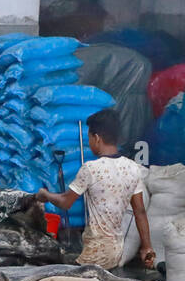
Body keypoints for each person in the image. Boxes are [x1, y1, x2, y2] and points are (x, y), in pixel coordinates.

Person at [33, 109, 154, 271]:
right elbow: (140, 212)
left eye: (89, 137)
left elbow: (65, 202)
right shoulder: (133, 168)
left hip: (95, 253)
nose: (89, 142)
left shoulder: (91, 169)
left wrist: (45, 194)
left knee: (57, 280)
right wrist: (147, 247)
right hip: (117, 252)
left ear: (96, 138)